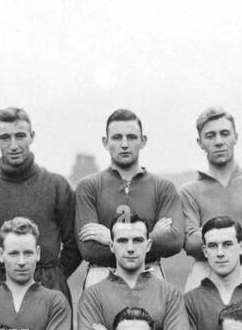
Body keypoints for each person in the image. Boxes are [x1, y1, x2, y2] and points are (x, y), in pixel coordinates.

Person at [0, 107, 80, 300]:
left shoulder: (56, 185)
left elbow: (74, 245)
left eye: (20, 136)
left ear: (32, 136)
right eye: (5, 137)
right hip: (0, 291)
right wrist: (1, 274)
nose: (14, 145)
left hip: (50, 290)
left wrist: (53, 276)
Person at [75, 109, 182, 288]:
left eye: (132, 137)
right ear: (105, 142)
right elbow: (89, 249)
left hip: (150, 273)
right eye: (117, 137)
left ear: (143, 141)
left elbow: (174, 241)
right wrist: (152, 237)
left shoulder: (163, 187)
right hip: (102, 274)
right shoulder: (89, 186)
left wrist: (110, 237)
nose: (124, 144)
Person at [179, 107, 242, 291]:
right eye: (210, 136)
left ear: (236, 137)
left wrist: (215, 234)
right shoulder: (189, 192)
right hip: (205, 273)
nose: (218, 141)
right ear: (200, 142)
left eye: (224, 133)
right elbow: (190, 241)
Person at [77, 217, 190, 330]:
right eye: (122, 241)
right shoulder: (92, 295)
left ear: (149, 245)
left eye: (137, 240)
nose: (130, 248)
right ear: (111, 246)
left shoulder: (170, 293)